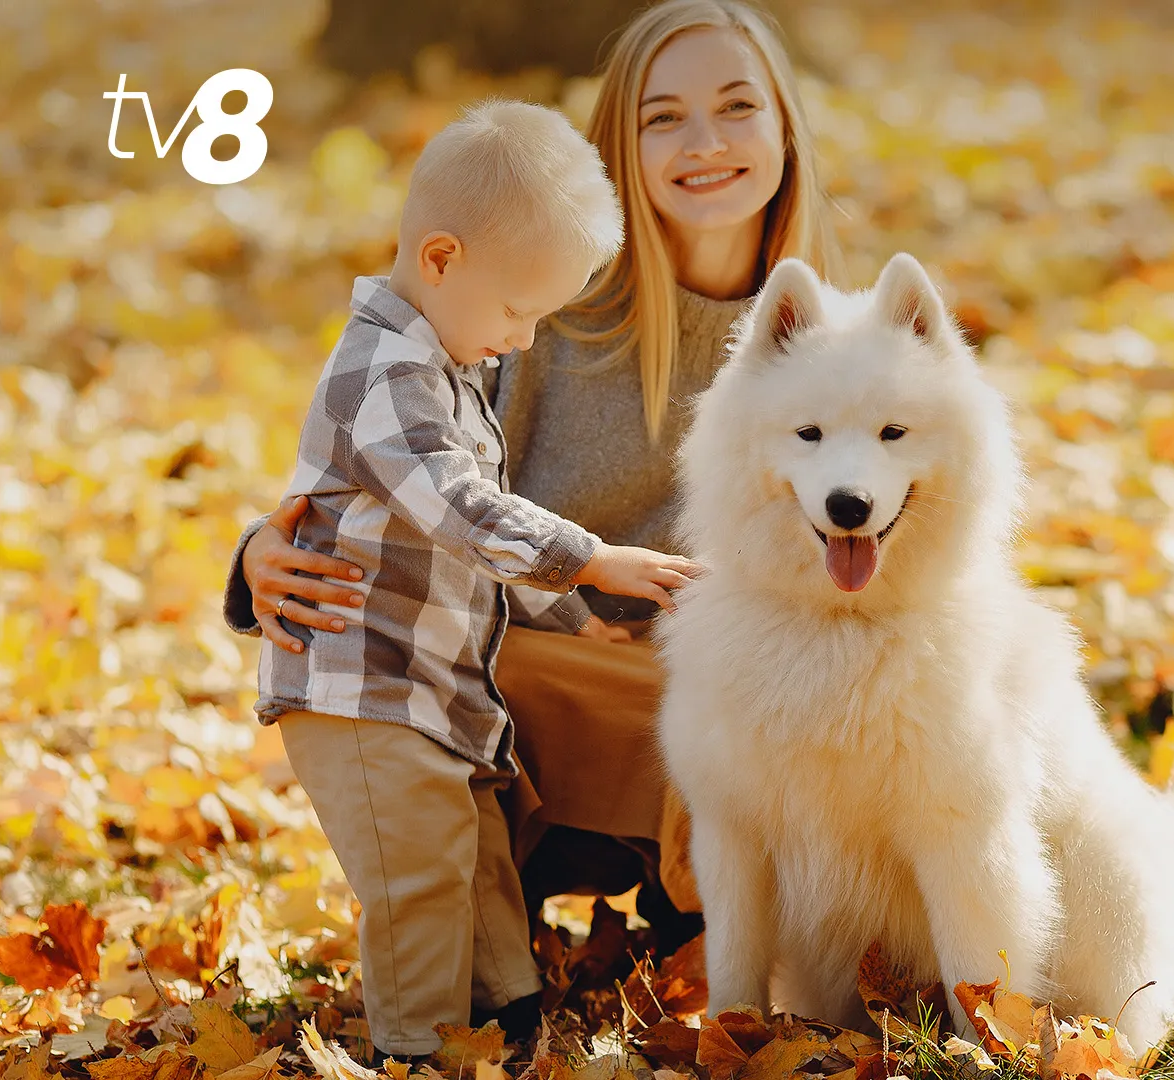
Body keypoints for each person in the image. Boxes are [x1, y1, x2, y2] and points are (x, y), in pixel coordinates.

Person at [220, 0, 841, 1025]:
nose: (707, 143)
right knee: (445, 654)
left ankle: (740, 930)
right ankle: (470, 982)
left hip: (736, 697)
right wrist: (257, 558)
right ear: (615, 152)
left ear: (785, 128)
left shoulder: (827, 345)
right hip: (546, 687)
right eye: (663, 118)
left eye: (738, 107)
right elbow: (408, 466)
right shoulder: (537, 311)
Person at [249, 98, 705, 1062]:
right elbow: (461, 508)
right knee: (417, 872)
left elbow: (471, 534)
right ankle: (415, 1045)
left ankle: (504, 1010)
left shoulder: (446, 360)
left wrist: (563, 613)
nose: (526, 339)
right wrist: (588, 560)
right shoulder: (384, 376)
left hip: (434, 690)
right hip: (364, 687)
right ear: (442, 260)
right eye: (517, 310)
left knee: (475, 854)